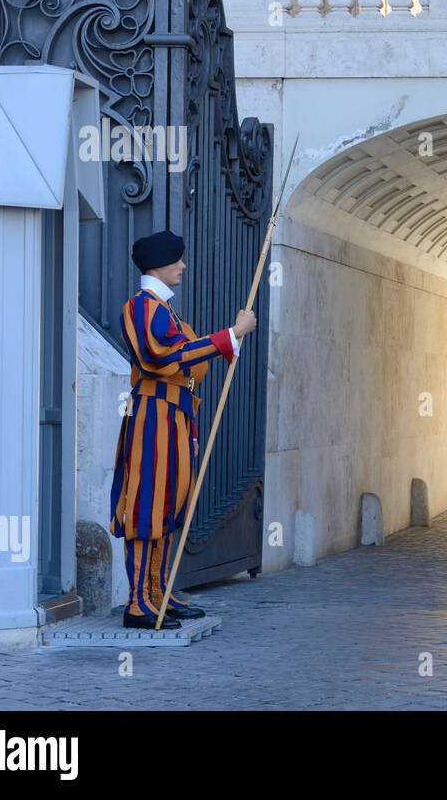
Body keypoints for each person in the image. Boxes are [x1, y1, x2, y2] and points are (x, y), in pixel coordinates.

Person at [110, 230, 256, 629]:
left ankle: (158, 590)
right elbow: (165, 356)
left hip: (175, 416)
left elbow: (189, 361)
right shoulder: (143, 307)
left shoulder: (165, 311)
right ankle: (138, 601)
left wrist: (226, 341)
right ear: (158, 263)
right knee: (147, 504)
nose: (183, 266)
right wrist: (231, 335)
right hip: (154, 414)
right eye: (177, 259)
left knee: (171, 503)